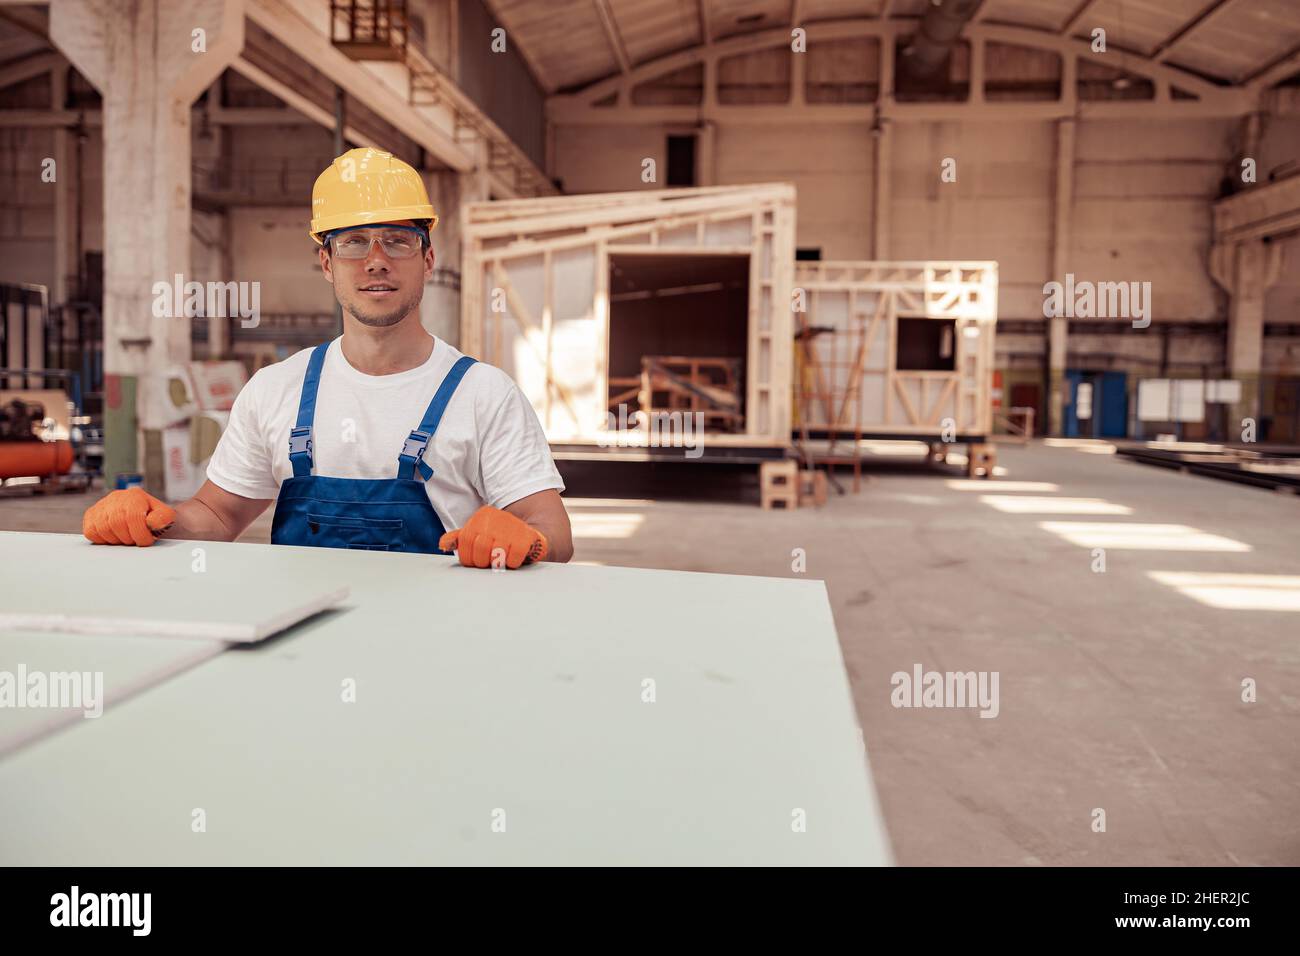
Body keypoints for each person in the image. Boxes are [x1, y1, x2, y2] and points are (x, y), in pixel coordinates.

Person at [82, 147, 572, 569]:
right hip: (298, 655)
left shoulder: (484, 394)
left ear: (428, 258)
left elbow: (552, 530)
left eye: (398, 239)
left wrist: (526, 538)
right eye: (353, 241)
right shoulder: (276, 389)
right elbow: (217, 514)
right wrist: (152, 521)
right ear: (326, 262)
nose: (376, 259)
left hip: (435, 652)